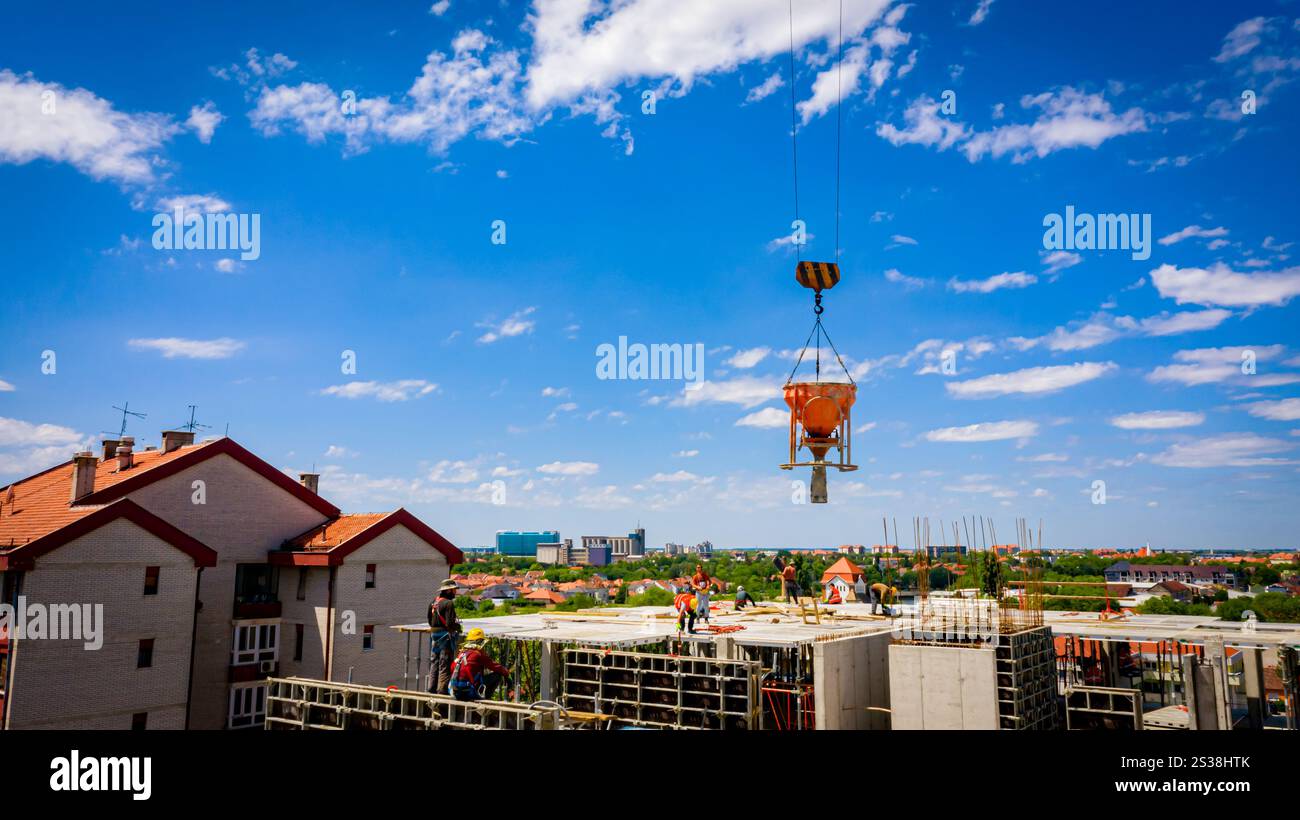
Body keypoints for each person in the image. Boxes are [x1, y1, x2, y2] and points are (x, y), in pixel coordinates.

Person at [448, 628, 511, 701]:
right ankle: (486, 698)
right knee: (497, 675)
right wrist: (506, 673)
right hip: (469, 692)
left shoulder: (461, 653)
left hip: (456, 692)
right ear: (480, 641)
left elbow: (452, 668)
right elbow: (495, 666)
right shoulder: (477, 654)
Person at [428, 579, 461, 694]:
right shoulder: (448, 603)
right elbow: (449, 624)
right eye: (453, 590)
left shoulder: (434, 602)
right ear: (448, 591)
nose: (455, 592)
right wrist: (457, 627)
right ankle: (442, 691)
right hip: (445, 637)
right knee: (445, 664)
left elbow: (429, 620)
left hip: (434, 636)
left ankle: (431, 689)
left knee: (434, 662)